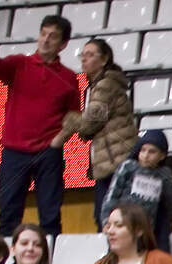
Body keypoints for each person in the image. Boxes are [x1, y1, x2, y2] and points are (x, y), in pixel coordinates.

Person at [0, 15, 79, 240]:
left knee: (50, 216)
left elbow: (74, 116)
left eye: (53, 37)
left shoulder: (69, 78)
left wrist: (58, 141)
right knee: (8, 213)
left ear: (63, 44)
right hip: (14, 151)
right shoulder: (18, 64)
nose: (45, 40)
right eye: (43, 34)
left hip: (48, 154)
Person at [61, 36, 135, 230]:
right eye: (82, 55)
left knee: (108, 218)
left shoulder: (105, 85)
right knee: (107, 218)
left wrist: (70, 119)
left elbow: (91, 122)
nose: (84, 59)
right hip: (108, 161)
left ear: (104, 60)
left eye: (90, 55)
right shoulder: (96, 86)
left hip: (115, 162)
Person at [101, 131, 172, 253]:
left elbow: (168, 205)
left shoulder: (165, 175)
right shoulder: (128, 167)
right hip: (122, 227)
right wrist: (106, 220)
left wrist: (170, 225)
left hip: (146, 232)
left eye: (152, 152)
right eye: (143, 150)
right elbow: (111, 196)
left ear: (162, 156)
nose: (146, 155)